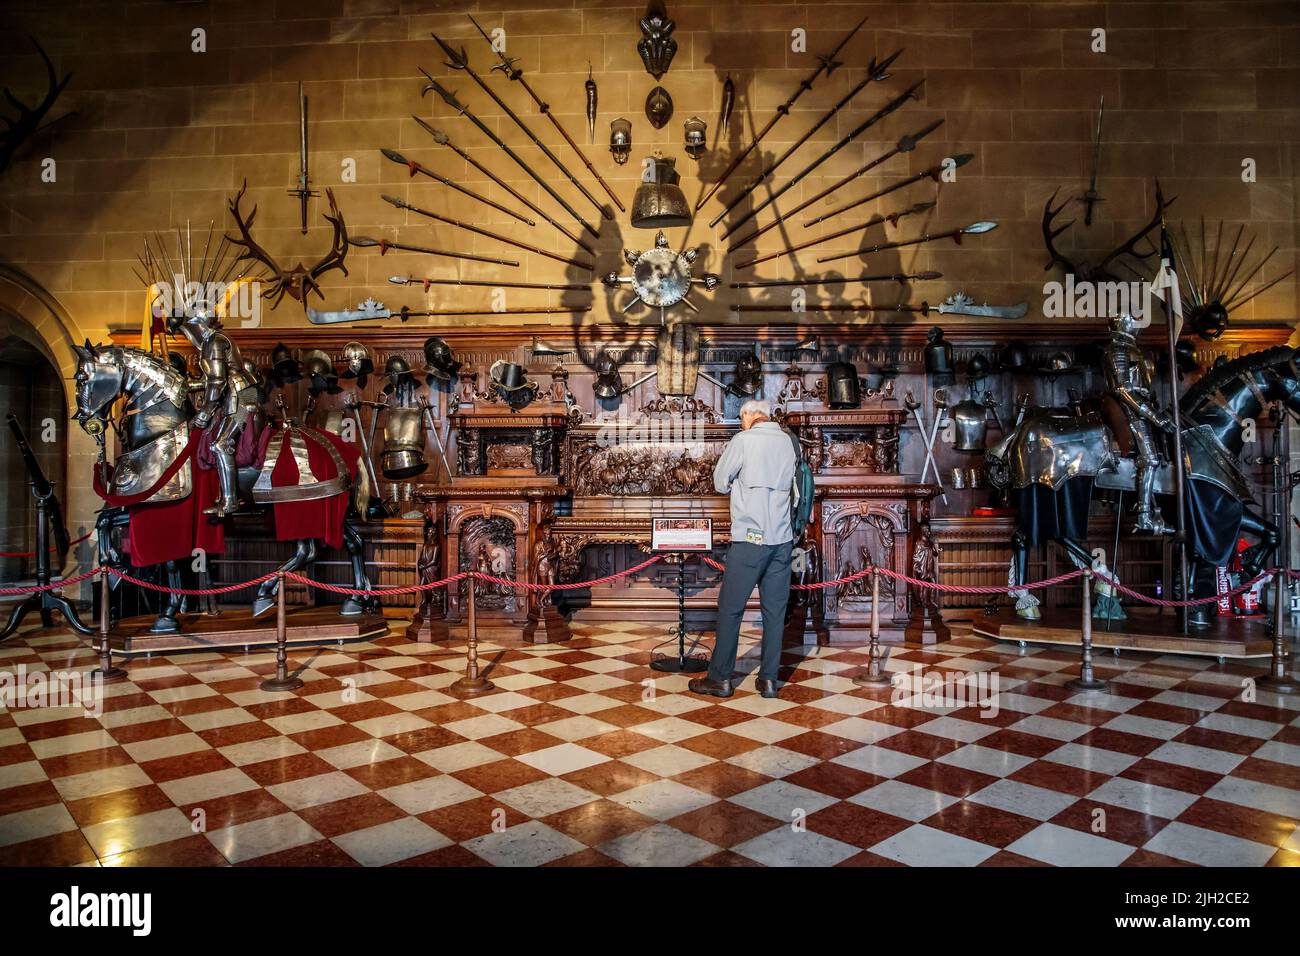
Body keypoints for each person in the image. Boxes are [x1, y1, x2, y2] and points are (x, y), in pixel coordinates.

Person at [689, 398, 797, 700]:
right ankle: (769, 680)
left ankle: (720, 678)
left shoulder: (744, 440)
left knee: (731, 608)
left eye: (742, 417)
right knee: (775, 613)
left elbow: (720, 482)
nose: (741, 422)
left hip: (751, 539)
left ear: (750, 415)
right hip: (781, 539)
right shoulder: (789, 442)